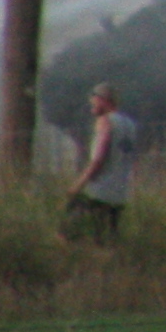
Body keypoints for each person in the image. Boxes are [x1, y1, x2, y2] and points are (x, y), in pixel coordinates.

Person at [62, 85, 137, 244]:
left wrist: (77, 186)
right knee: (106, 240)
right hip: (120, 193)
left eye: (94, 101)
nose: (91, 105)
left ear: (103, 100)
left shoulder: (105, 122)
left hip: (98, 192)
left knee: (67, 234)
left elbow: (98, 160)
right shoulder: (130, 125)